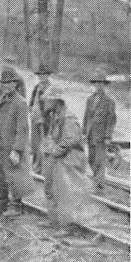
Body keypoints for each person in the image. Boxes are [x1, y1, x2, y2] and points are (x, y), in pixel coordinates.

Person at [41, 84, 90, 234]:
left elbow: (71, 139)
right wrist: (48, 147)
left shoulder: (68, 117)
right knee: (50, 187)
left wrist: (55, 150)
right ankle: (54, 219)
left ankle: (69, 226)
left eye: (49, 100)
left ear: (57, 101)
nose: (46, 102)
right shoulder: (55, 115)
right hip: (59, 158)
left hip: (70, 159)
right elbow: (53, 136)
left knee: (66, 192)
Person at [0, 68, 35, 217]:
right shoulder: (2, 99)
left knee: (15, 174)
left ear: (15, 83)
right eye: (3, 83)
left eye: (9, 83)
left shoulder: (20, 103)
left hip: (11, 145)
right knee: (0, 173)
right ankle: (2, 201)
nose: (6, 86)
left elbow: (23, 129)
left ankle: (16, 205)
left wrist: (17, 149)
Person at [83, 70, 117, 194]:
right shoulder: (90, 99)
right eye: (96, 83)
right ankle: (97, 180)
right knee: (91, 159)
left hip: (101, 136)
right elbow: (86, 116)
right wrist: (83, 132)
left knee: (99, 160)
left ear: (104, 85)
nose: (98, 85)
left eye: (101, 83)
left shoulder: (109, 101)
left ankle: (99, 186)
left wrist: (108, 136)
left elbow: (111, 120)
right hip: (90, 134)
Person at [29, 63, 53, 174]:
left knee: (41, 145)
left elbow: (52, 107)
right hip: (34, 119)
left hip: (44, 121)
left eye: (44, 75)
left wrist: (46, 118)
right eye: (40, 75)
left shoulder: (50, 89)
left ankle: (40, 168)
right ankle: (35, 165)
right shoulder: (37, 87)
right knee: (34, 144)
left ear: (48, 75)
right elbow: (32, 101)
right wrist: (31, 111)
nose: (42, 77)